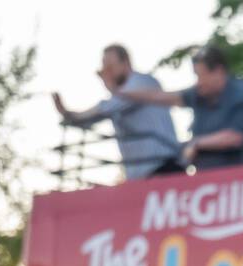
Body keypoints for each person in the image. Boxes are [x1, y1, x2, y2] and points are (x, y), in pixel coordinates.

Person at [115, 45, 243, 170]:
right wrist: (120, 93)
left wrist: (196, 143)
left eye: (200, 75)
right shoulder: (199, 95)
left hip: (240, 184)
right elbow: (162, 97)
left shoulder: (241, 93)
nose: (198, 82)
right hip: (208, 183)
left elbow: (235, 137)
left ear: (218, 71)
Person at [52, 44, 183, 179]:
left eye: (110, 66)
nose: (106, 72)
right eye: (104, 67)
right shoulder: (117, 98)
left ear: (125, 62)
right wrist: (68, 114)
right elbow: (89, 119)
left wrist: (74, 114)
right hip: (139, 176)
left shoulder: (144, 82)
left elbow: (109, 106)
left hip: (164, 168)